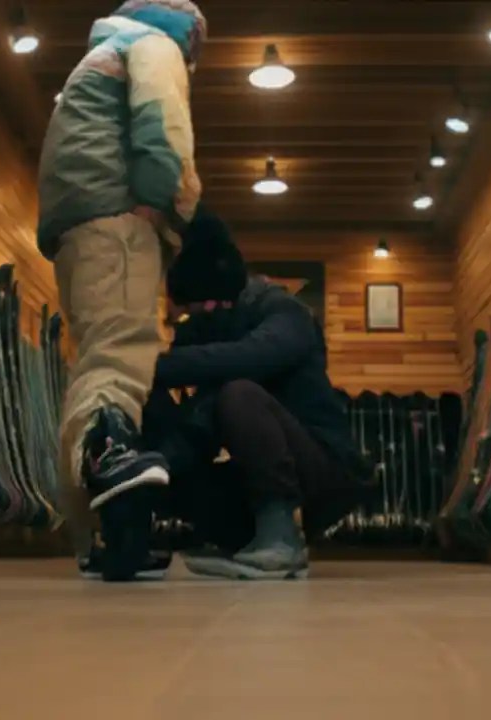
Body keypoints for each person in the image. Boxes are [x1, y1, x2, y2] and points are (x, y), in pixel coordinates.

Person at [36, 0, 206, 579]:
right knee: (121, 354)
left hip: (78, 225)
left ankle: (98, 537)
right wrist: (168, 205)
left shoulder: (95, 57)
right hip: (120, 220)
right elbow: (164, 126)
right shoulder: (153, 48)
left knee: (93, 362)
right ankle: (108, 453)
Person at [143, 210, 371, 579]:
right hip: (266, 473)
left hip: (326, 471)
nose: (195, 320)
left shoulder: (284, 311)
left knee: (239, 393)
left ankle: (280, 538)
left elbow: (258, 355)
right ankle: (243, 541)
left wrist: (154, 366)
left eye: (199, 309)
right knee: (168, 462)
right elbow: (200, 422)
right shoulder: (213, 332)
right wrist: (156, 472)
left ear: (218, 299)